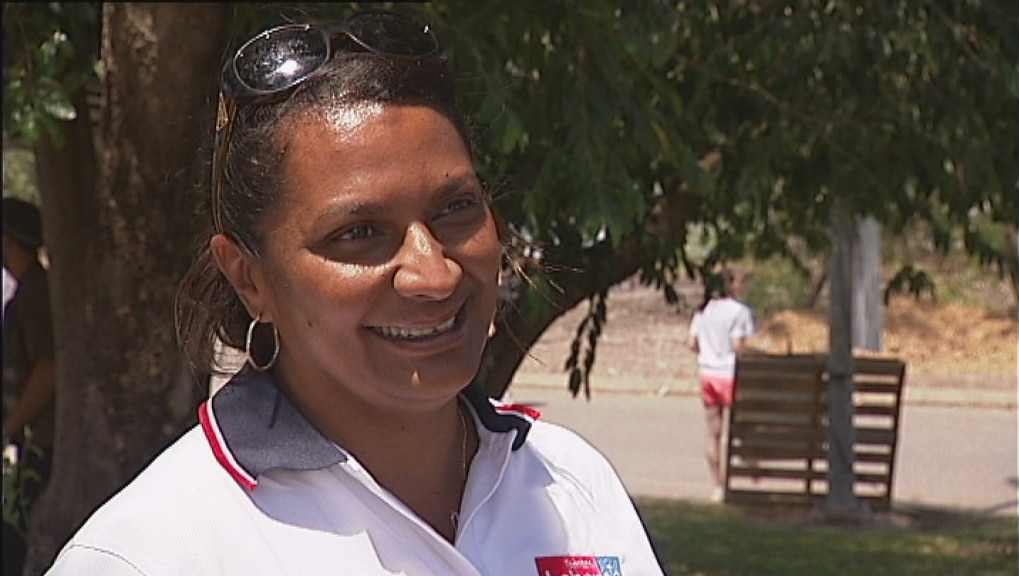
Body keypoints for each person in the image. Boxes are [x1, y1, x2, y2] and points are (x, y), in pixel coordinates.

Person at [45, 11, 665, 575]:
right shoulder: (150, 553)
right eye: (360, 233)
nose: (435, 274)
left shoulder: (572, 483)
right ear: (249, 278)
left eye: (456, 208)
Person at [3, 197, 57, 576]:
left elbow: (48, 369)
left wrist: (5, 430)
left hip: (46, 443)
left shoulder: (37, 293)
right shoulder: (25, 292)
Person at [687, 268, 755, 503]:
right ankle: (730, 481)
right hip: (729, 374)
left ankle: (717, 484)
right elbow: (738, 346)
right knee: (729, 433)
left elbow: (691, 343)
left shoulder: (703, 311)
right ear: (731, 286)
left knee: (712, 433)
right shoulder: (740, 312)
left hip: (707, 374)